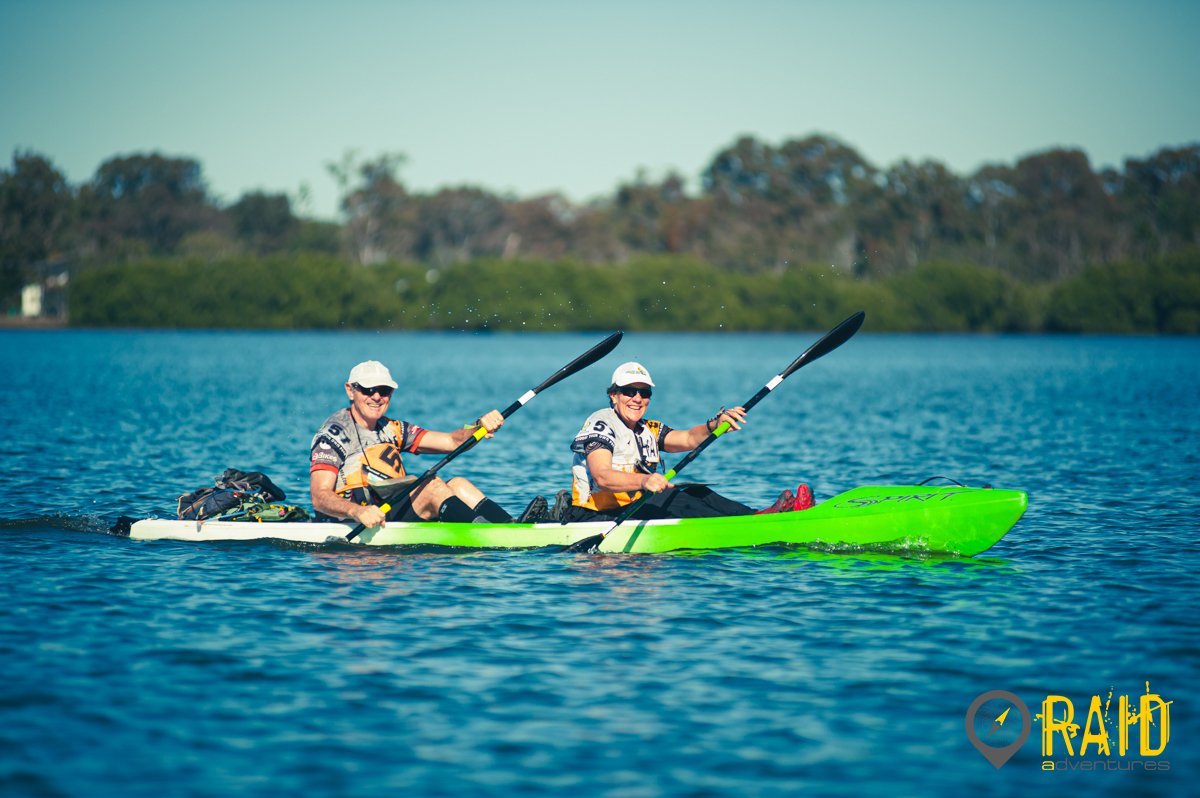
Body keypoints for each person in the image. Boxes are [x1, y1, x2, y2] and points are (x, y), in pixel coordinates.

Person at [564, 361, 811, 523]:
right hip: (595, 515)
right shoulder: (601, 424)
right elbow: (602, 477)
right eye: (630, 391)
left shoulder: (648, 429)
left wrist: (716, 424)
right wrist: (645, 481)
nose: (637, 398)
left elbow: (689, 438)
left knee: (697, 492)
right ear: (613, 395)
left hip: (631, 508)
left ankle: (759, 517)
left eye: (644, 393)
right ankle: (754, 525)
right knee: (672, 499)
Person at [310, 360, 514, 527]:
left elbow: (453, 441)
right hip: (354, 521)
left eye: (384, 390)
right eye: (368, 389)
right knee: (432, 486)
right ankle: (482, 533)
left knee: (458, 485)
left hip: (389, 511)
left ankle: (511, 526)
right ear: (350, 390)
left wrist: (479, 426)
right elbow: (319, 497)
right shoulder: (333, 435)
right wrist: (357, 511)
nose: (377, 397)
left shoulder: (393, 429)